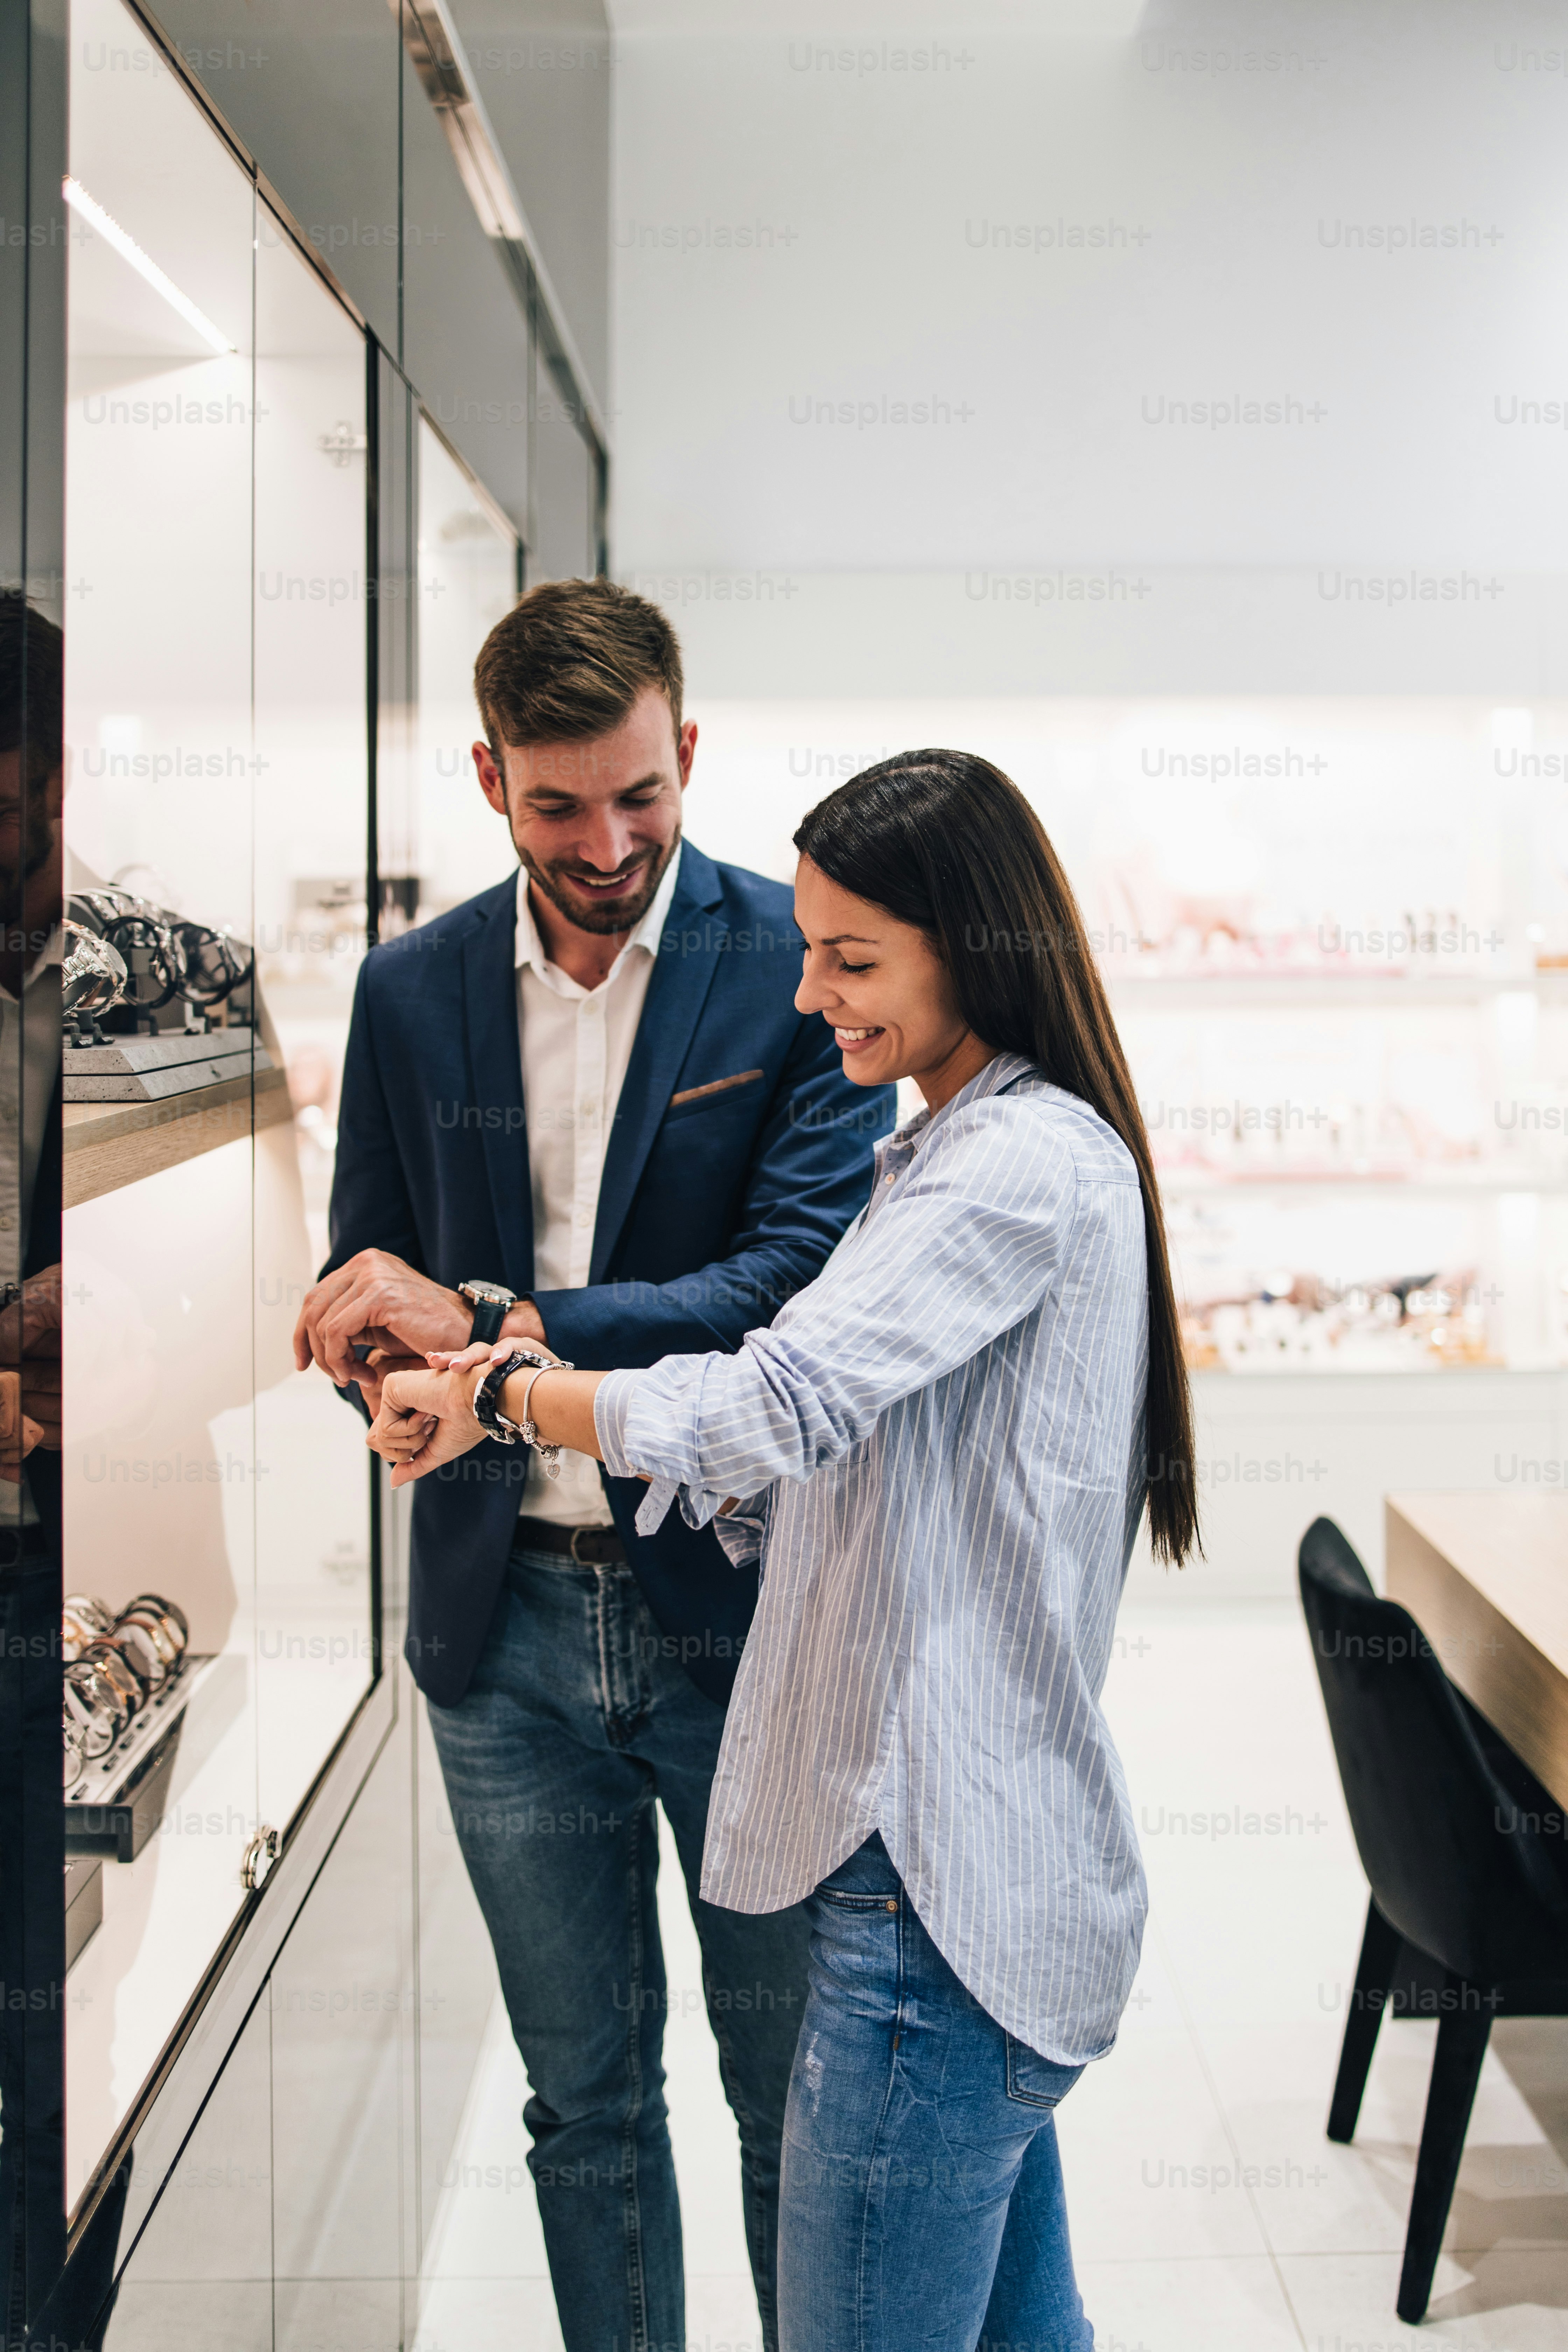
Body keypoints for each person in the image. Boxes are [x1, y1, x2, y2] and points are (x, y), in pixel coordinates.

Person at [368, 748, 1201, 2352]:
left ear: (973, 948)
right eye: (811, 950)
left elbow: (775, 1400)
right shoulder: (959, 1149)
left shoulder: (1012, 1168)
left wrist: (504, 1391)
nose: (810, 995)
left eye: (852, 961)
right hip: (946, 1890)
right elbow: (842, 1457)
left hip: (930, 1902)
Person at [293, 579, 892, 2352]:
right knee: (586, 2112)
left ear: (687, 750)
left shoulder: (797, 962)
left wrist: (491, 1331)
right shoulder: (409, 994)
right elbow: (371, 1275)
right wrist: (388, 1376)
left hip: (746, 1618)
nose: (609, 845)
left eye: (641, 795)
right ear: (490, 778)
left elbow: (789, 1284)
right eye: (558, 806)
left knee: (790, 2101)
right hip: (503, 1641)